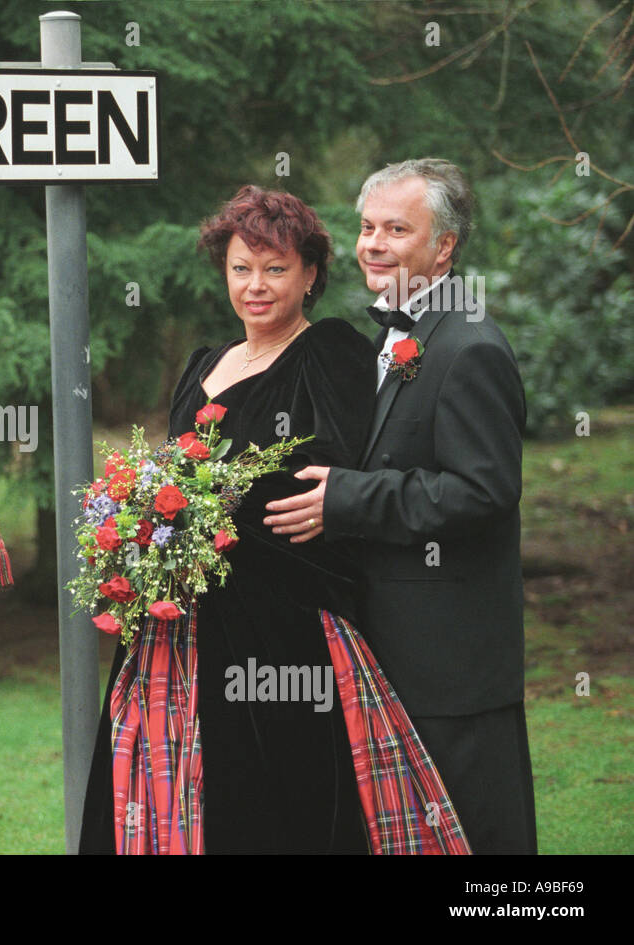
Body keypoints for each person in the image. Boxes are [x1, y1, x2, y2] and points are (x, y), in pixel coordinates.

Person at [80, 185, 468, 855]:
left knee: (272, 807)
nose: (255, 286)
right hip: (181, 624)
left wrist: (221, 505)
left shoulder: (332, 352)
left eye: (275, 268)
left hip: (281, 624)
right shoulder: (204, 362)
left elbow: (331, 471)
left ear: (312, 274)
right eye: (241, 268)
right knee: (174, 795)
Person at [264, 159, 537, 854]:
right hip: (391, 645)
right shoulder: (398, 334)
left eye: (395, 229)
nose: (372, 244)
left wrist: (349, 498)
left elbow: (484, 489)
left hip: (454, 665)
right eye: (365, 227)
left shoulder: (470, 344)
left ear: (443, 247)